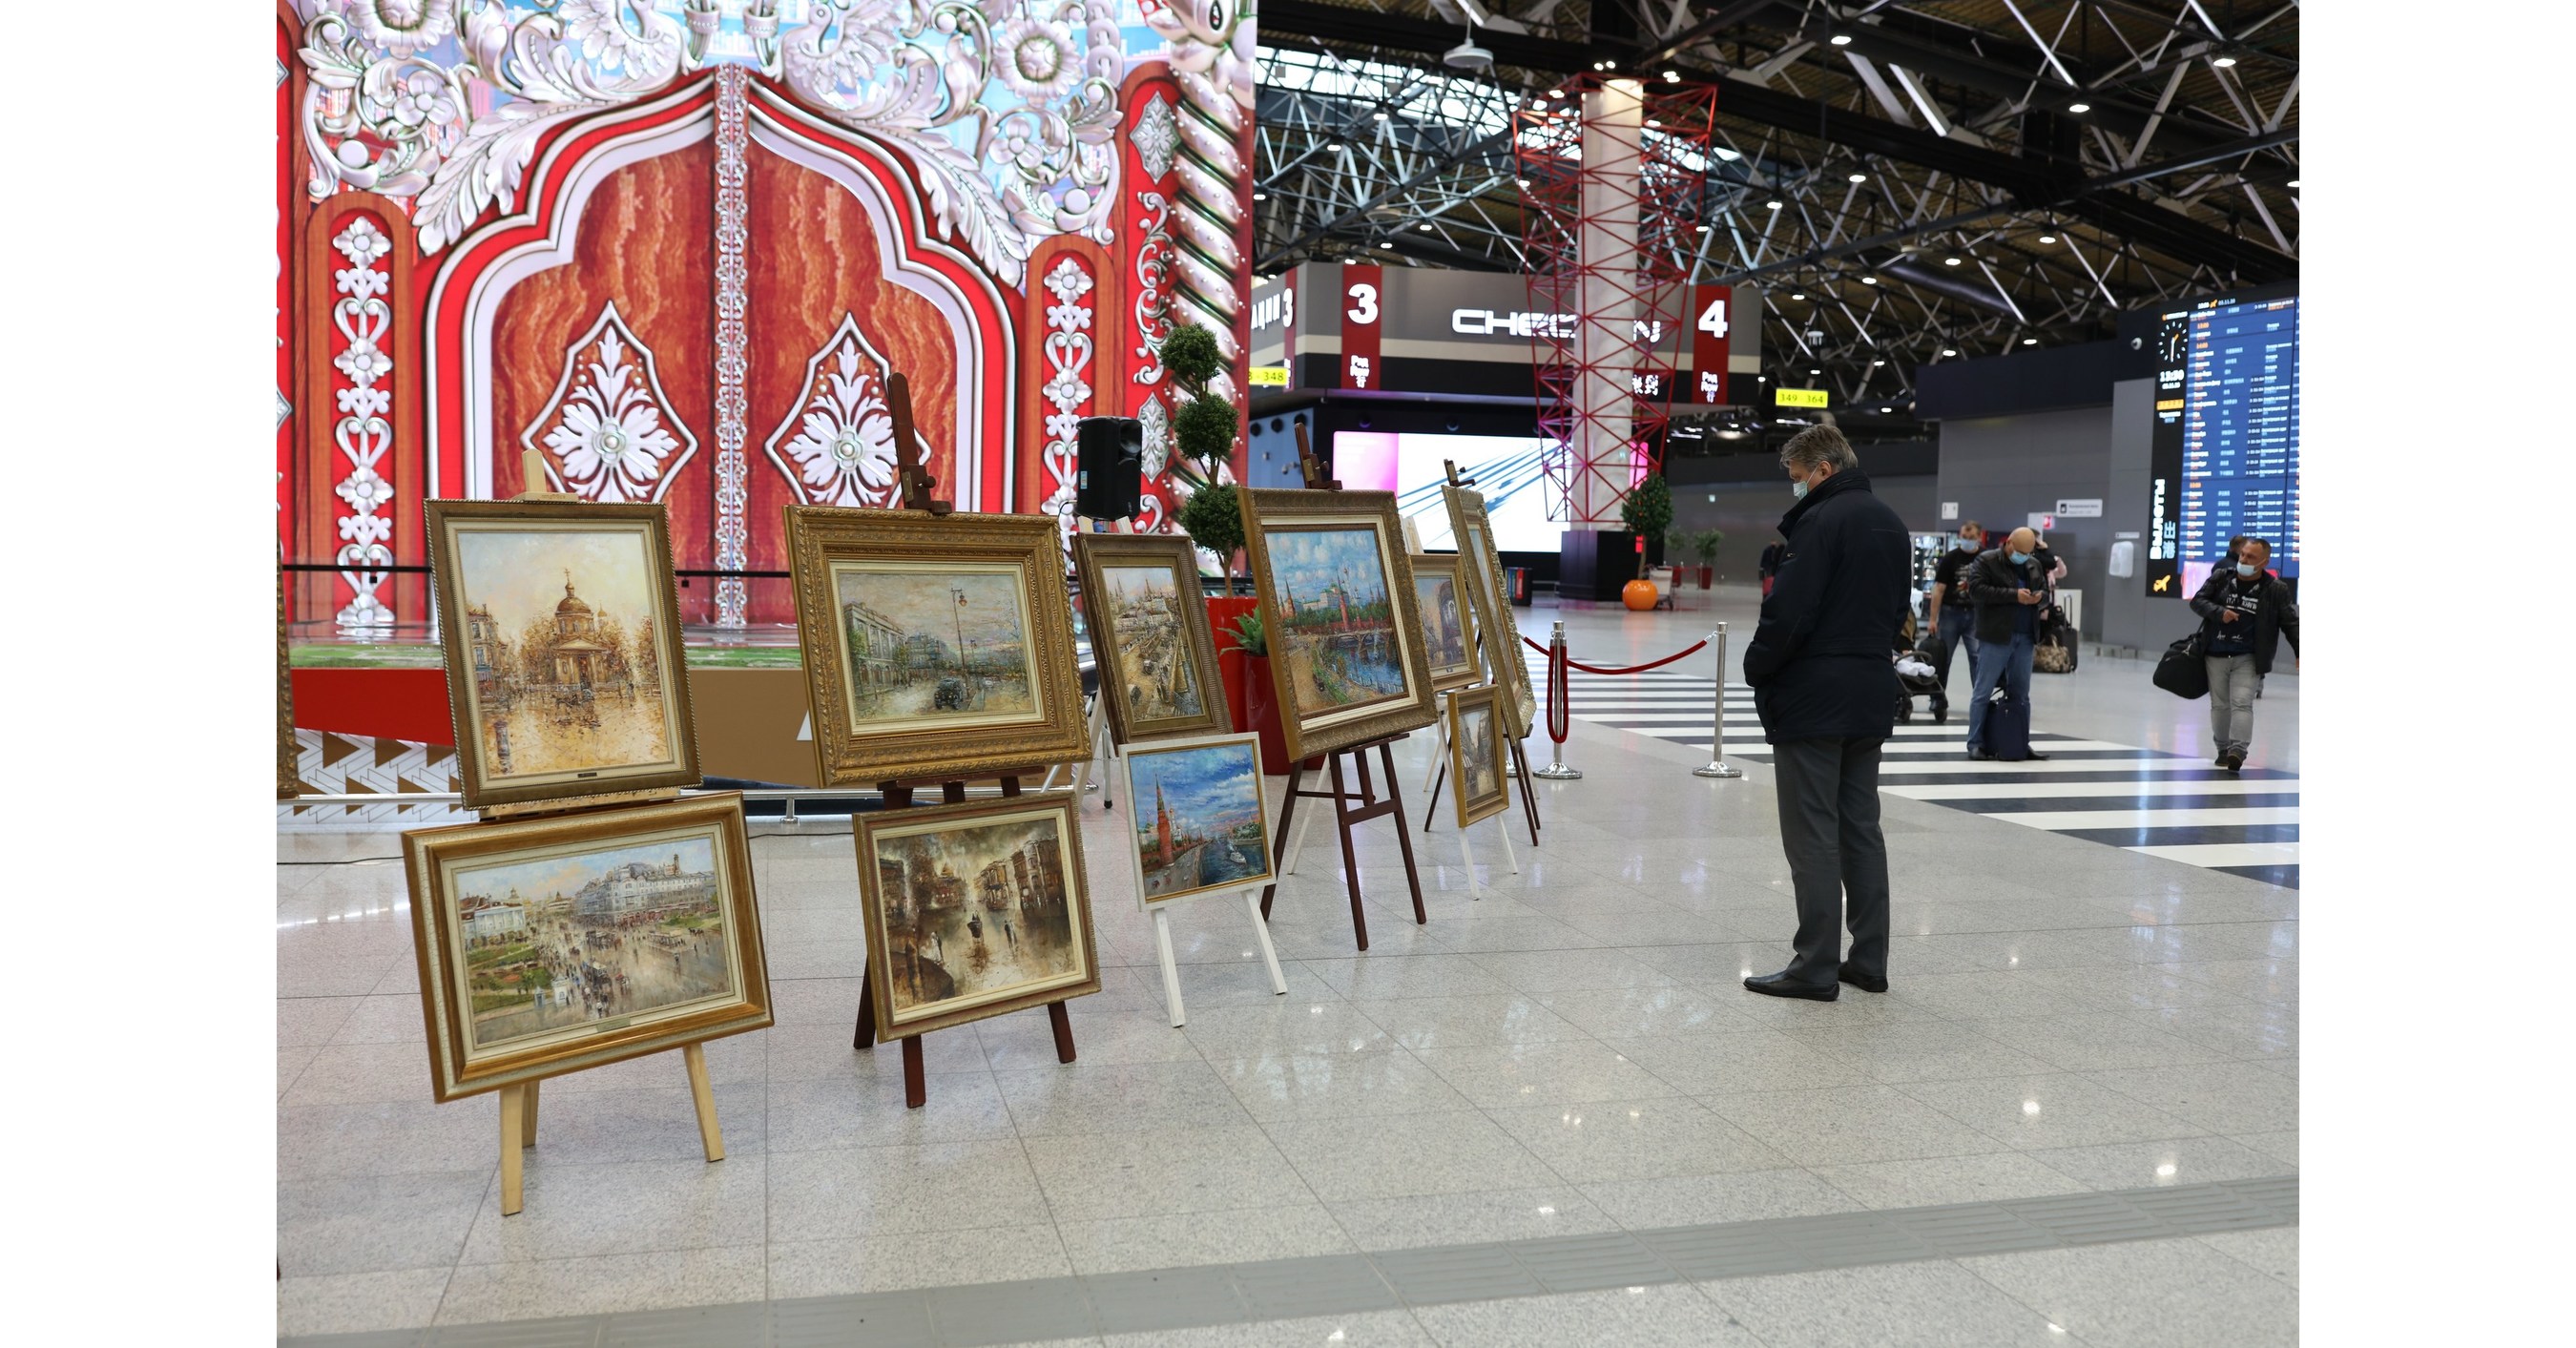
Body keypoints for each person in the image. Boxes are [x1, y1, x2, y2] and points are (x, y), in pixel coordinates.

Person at [1740, 425, 1911, 1001]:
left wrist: (1758, 666)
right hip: (1869, 692)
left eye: (1797, 478)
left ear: (1822, 469)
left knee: (1812, 833)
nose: (1796, 490)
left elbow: (1789, 610)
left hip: (1815, 697)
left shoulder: (1820, 522)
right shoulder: (1891, 521)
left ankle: (1814, 966)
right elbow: (1897, 616)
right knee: (1861, 828)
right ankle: (1869, 960)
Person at [2192, 536, 2299, 771]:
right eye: (2243, 555)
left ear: (2264, 562)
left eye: (2251, 557)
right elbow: (2198, 601)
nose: (2244, 559)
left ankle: (2238, 751)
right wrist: (2220, 613)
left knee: (2241, 703)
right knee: (2220, 705)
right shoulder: (2222, 578)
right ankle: (2222, 748)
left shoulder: (2275, 589)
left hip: (2249, 655)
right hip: (2216, 652)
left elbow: (2290, 623)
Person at [1964, 527, 2051, 761]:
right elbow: (1976, 591)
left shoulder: (2033, 564)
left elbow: (2045, 593)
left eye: (2028, 552)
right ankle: (1975, 743)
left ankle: (2020, 741)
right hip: (1996, 636)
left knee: (2022, 694)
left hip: (2025, 637)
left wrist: (2038, 598)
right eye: (2020, 551)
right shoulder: (1987, 560)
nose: (2024, 556)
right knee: (1983, 691)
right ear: (2009, 543)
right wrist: (2014, 595)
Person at [1920, 522, 1986, 723]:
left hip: (1975, 614)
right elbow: (1938, 589)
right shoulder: (1950, 559)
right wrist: (1933, 619)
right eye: (1963, 536)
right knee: (1943, 657)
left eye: (1970, 536)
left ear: (1978, 536)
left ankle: (1981, 699)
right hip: (1950, 613)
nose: (1966, 540)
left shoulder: (1984, 558)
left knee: (1977, 657)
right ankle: (1937, 698)